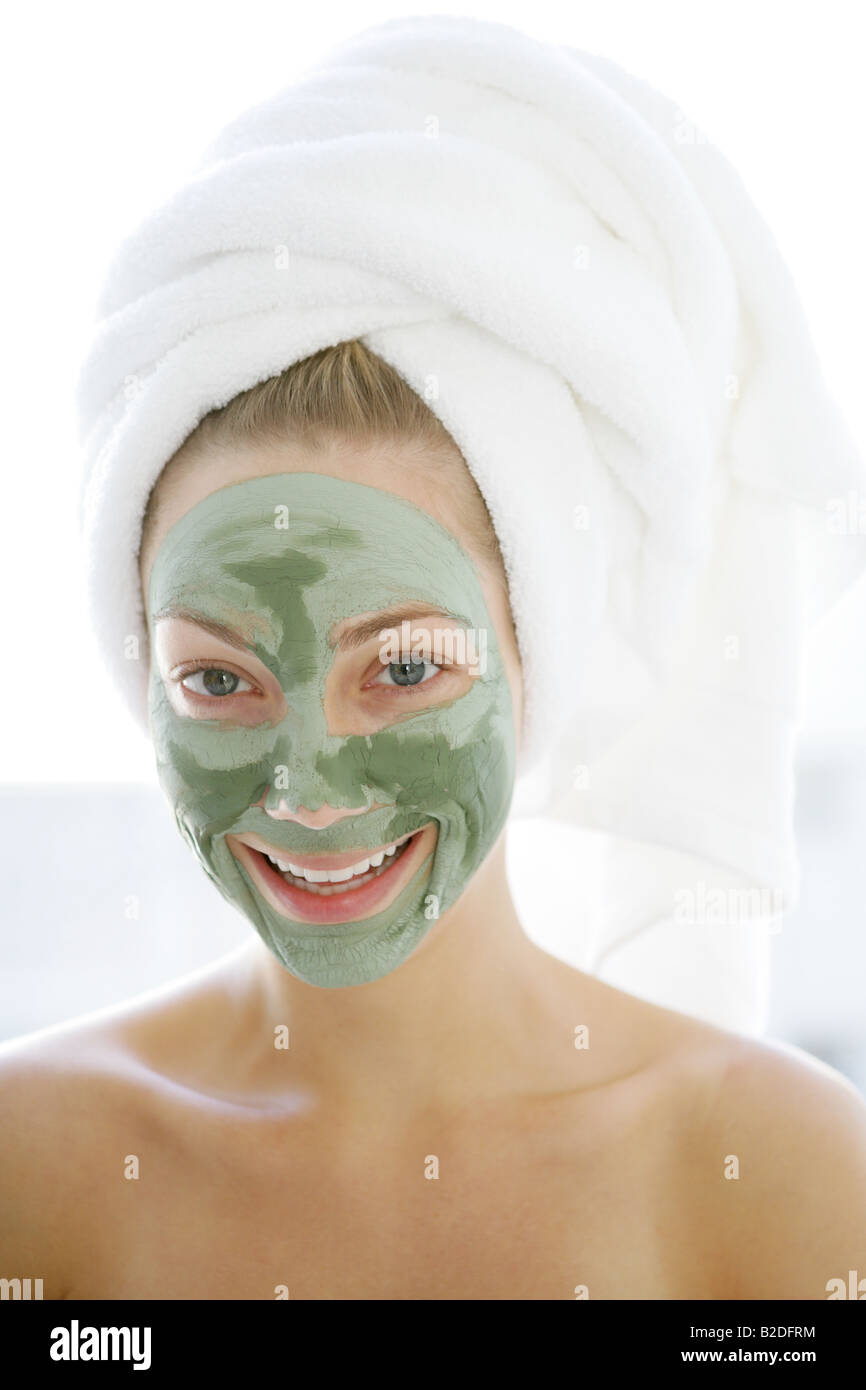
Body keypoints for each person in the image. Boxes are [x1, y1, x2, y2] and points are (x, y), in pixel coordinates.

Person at [1, 340, 865, 1301]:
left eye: (405, 670)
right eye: (216, 679)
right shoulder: (31, 1164)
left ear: (540, 651)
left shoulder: (786, 1174)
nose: (307, 794)